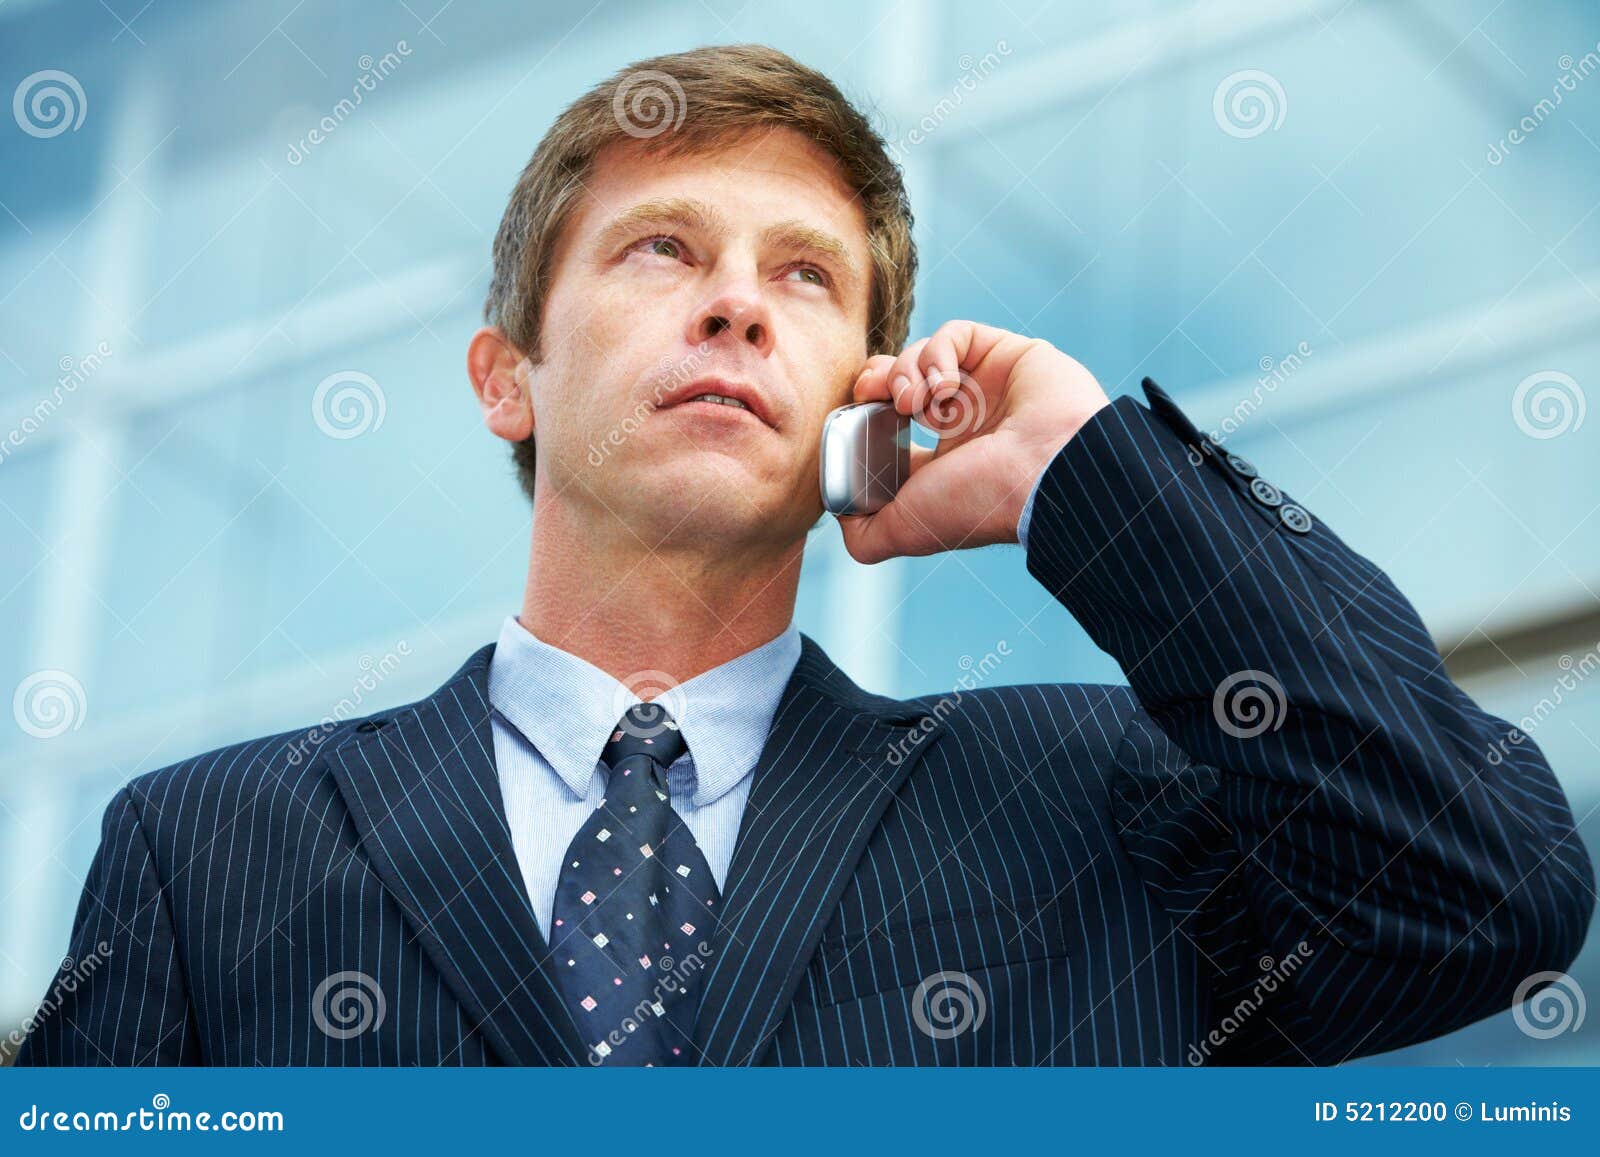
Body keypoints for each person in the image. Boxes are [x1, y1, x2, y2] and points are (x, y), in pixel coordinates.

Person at [17, 44, 1592, 1068]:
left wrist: (1081, 473)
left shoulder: (1095, 802)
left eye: (806, 278)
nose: (737, 304)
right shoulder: (203, 850)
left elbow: (1484, 887)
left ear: (866, 397)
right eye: (664, 250)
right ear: (509, 374)